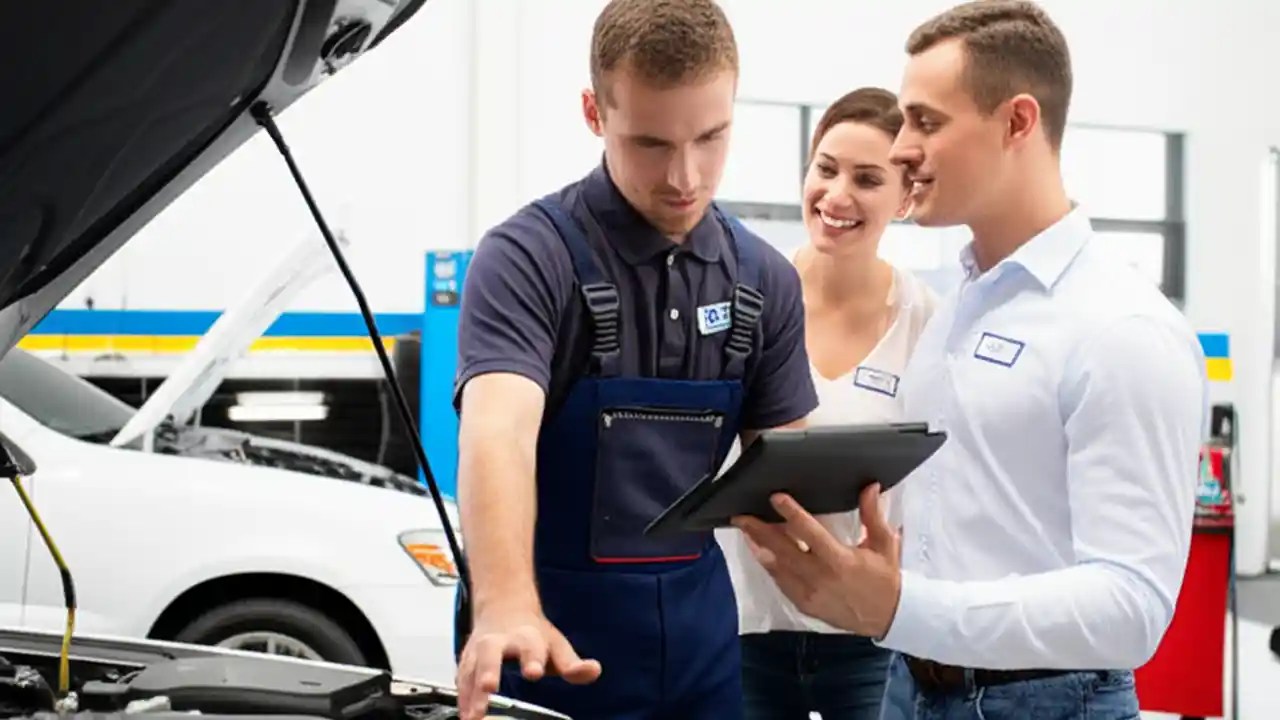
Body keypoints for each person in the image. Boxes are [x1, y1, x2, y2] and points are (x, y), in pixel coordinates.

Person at [732, 2, 1208, 719]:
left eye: (926, 122)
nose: (900, 150)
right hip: (908, 684)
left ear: (1017, 122)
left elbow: (1132, 605)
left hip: (1046, 700)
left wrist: (901, 605)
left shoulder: (1123, 327)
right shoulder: (960, 306)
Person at [449, 1, 818, 718]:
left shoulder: (764, 280)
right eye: (651, 143)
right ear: (595, 112)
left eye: (712, 137)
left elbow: (786, 472)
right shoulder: (527, 259)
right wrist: (505, 605)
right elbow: (497, 433)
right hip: (543, 648)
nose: (686, 175)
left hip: (703, 654)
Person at [716, 87, 938, 720]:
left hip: (868, 635)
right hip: (747, 627)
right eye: (826, 168)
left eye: (868, 179)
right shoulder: (749, 301)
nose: (837, 195)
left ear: (905, 197)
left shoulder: (927, 322)